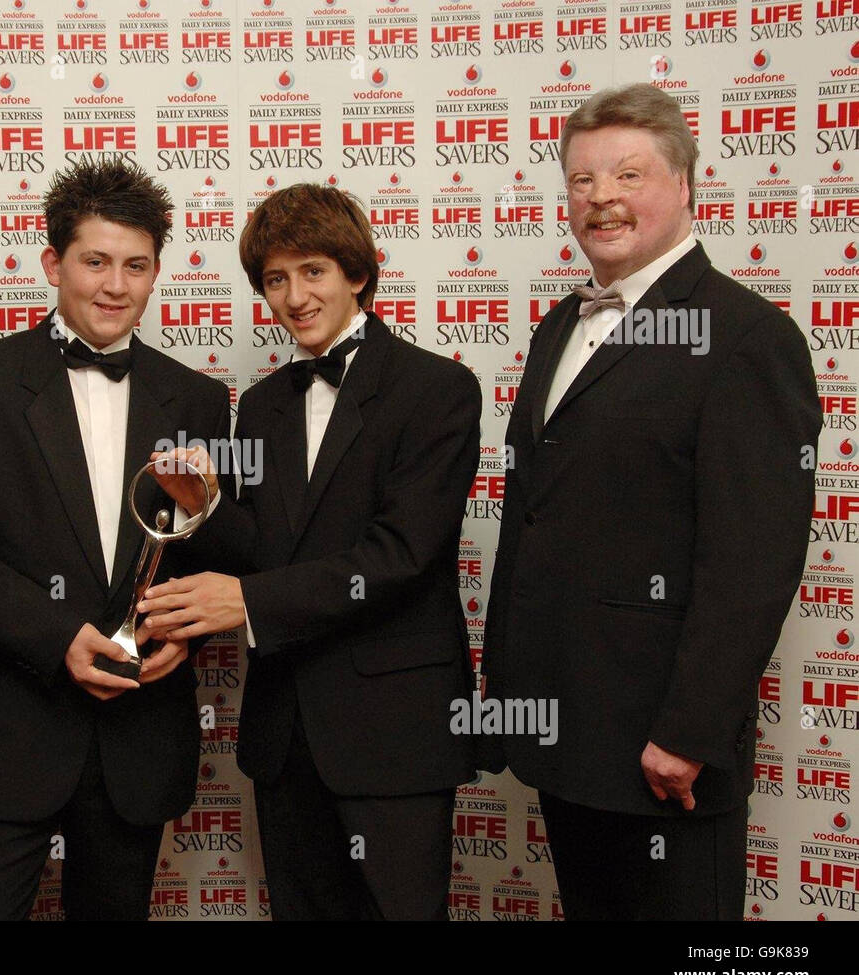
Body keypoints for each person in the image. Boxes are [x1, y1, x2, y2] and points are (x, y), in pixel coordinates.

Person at [480, 83, 821, 920]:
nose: (602, 199)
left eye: (628, 175)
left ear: (686, 184)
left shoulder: (747, 336)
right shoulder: (558, 326)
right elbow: (534, 519)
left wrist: (689, 732)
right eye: (582, 180)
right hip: (563, 738)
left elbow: (753, 559)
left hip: (663, 755)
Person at [0, 160, 230, 921]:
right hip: (1, 738)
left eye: (136, 266)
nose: (116, 286)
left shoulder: (200, 398)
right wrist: (57, 637)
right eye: (96, 261)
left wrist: (185, 636)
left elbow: (206, 554)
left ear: (156, 273)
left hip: (135, 743)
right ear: (53, 264)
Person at [139, 183, 481, 920]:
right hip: (285, 733)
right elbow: (265, 548)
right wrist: (206, 508)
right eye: (274, 279)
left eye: (314, 270)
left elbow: (402, 555)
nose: (294, 295)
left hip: (395, 731)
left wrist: (247, 602)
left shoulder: (439, 389)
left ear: (357, 273)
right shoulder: (261, 405)